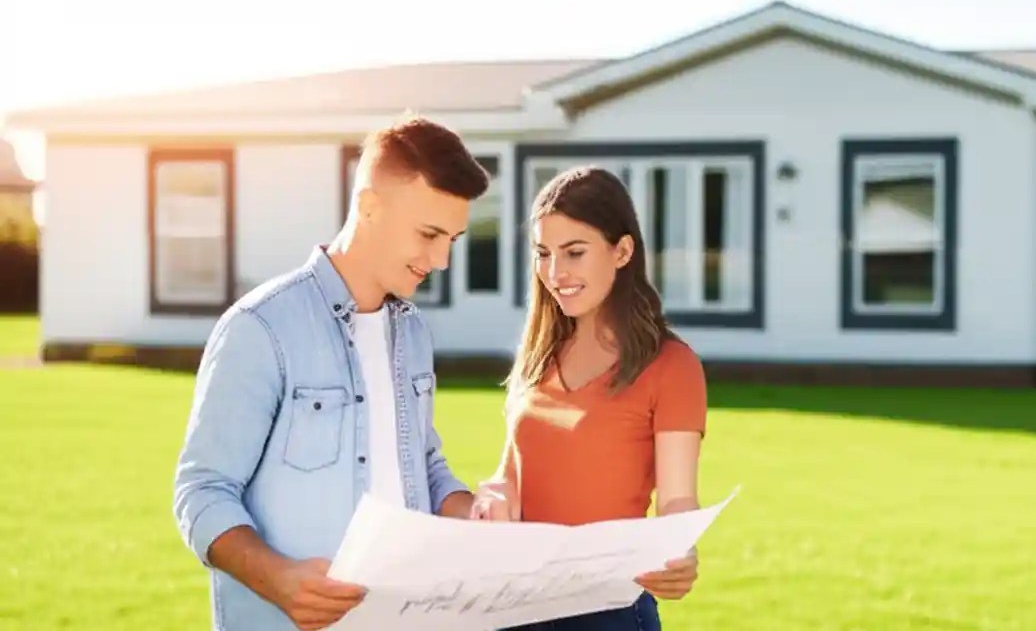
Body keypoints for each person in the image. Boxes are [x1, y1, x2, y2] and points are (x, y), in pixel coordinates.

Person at [172, 116, 491, 631]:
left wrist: (474, 516)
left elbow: (423, 464)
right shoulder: (261, 328)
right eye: (430, 234)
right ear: (369, 207)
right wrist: (277, 579)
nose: (442, 260)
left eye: (452, 238)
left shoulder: (412, 335)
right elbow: (202, 490)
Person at [472, 166, 709, 631]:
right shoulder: (538, 355)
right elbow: (511, 474)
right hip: (518, 603)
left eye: (574, 253)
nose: (556, 273)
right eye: (543, 254)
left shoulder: (672, 367)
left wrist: (681, 553)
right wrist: (493, 497)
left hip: (609, 611)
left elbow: (678, 500)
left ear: (622, 251)